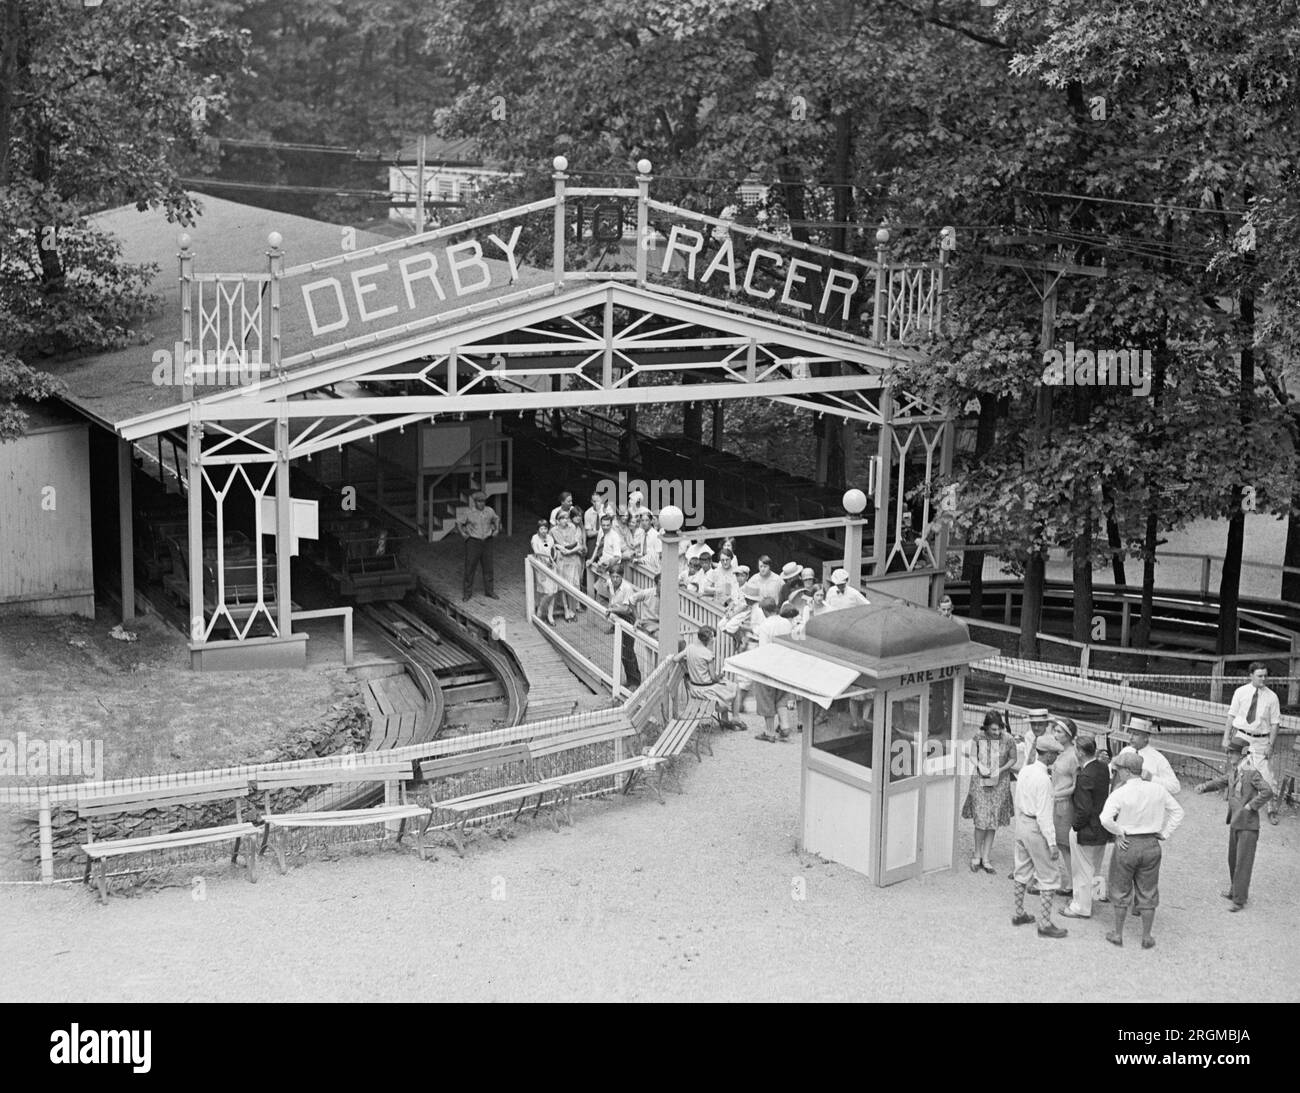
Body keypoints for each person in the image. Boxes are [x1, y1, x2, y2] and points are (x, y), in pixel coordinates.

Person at [1099, 751, 1185, 949]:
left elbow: (1105, 819)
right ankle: (1146, 936)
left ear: (1128, 771)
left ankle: (1118, 933)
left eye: (1120, 769)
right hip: (1151, 843)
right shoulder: (1157, 790)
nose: (1118, 772)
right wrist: (1164, 833)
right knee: (1148, 890)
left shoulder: (1120, 792)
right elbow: (1178, 812)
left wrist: (1119, 832)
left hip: (1127, 843)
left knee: (1120, 889)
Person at [1195, 737, 1274, 911]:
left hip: (1248, 825)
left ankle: (1239, 899)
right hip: (1236, 822)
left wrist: (1251, 806)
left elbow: (1268, 791)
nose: (1230, 754)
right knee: (1233, 860)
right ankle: (1234, 890)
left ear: (1243, 753)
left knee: (1243, 863)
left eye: (1233, 752)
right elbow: (1222, 781)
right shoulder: (1236, 770)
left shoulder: (1251, 771)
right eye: (1229, 751)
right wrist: (1205, 786)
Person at [1010, 733, 1068, 938]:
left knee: (1022, 869)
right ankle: (1044, 922)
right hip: (1036, 827)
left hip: (1023, 823)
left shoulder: (1025, 770)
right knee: (1049, 875)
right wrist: (1052, 843)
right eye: (1054, 754)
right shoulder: (1044, 780)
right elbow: (1044, 815)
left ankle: (1019, 912)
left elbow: (1018, 798)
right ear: (1050, 756)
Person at [1225, 663, 1282, 824]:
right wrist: (1226, 737)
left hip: (1261, 740)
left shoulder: (1272, 697)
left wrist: (1270, 745)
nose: (1263, 678)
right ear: (1251, 675)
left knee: (1266, 776)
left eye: (1265, 675)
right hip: (1242, 737)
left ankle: (1271, 809)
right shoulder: (1240, 692)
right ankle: (1235, 803)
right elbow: (1231, 716)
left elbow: (1275, 724)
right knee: (1239, 770)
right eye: (1259, 675)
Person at [961, 710, 1017, 874]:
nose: (997, 732)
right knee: (981, 818)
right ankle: (977, 854)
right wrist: (980, 766)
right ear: (986, 728)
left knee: (993, 819)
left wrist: (1001, 769)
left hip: (1000, 782)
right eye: (993, 729)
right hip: (981, 780)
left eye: (999, 728)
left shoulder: (1008, 739)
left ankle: (986, 857)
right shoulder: (979, 737)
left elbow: (1013, 759)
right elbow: (972, 755)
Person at [1061, 735, 1111, 920]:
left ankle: (1081, 907)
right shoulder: (1102, 768)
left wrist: (1075, 827)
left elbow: (1083, 809)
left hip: (1087, 828)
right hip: (1101, 827)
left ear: (1080, 752)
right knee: (1096, 865)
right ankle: (1096, 896)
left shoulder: (1085, 777)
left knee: (1082, 870)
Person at [752, 597, 794, 742]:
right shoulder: (786, 623)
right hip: (785, 663)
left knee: (766, 698)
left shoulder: (765, 625)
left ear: (764, 610)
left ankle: (769, 732)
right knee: (781, 696)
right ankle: (785, 725)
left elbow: (764, 649)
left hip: (770, 665)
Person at [684, 626, 743, 729]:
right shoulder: (707, 654)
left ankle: (725, 720)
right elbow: (713, 678)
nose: (714, 639)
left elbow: (676, 658)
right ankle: (736, 718)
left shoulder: (689, 648)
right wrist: (719, 676)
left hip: (695, 688)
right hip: (706, 690)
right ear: (709, 638)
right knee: (735, 687)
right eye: (712, 637)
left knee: (726, 685)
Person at [1050, 717, 1080, 899]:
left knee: (1066, 846)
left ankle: (1072, 884)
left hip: (1064, 805)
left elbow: (1076, 785)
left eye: (1059, 732)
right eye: (1055, 731)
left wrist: (1056, 794)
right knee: (1061, 845)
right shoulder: (1061, 752)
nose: (1055, 734)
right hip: (1056, 802)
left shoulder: (1073, 756)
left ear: (1069, 735)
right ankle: (1069, 881)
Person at [1113, 718, 1181, 796]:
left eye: (1135, 734)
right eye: (1130, 733)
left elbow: (1176, 787)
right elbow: (1113, 771)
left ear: (1146, 737)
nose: (1130, 737)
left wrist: (1152, 778)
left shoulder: (1158, 759)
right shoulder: (1125, 751)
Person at [604, 568, 646, 689]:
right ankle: (630, 679)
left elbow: (627, 609)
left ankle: (635, 681)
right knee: (622, 651)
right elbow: (609, 594)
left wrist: (611, 609)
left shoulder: (627, 588)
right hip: (618, 618)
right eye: (613, 576)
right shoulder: (609, 583)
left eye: (618, 577)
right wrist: (610, 606)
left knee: (628, 650)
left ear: (622, 577)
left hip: (629, 619)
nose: (615, 579)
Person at [457, 489, 500, 600]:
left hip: (487, 541)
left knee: (488, 567)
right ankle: (467, 593)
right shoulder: (469, 512)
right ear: (475, 502)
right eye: (479, 501)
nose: (481, 503)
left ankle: (489, 591)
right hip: (473, 542)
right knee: (470, 567)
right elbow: (459, 522)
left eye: (483, 501)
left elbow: (496, 518)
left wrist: (496, 530)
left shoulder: (489, 511)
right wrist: (463, 534)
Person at [550, 507, 585, 621]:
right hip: (561, 560)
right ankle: (566, 610)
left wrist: (569, 550)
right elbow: (551, 545)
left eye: (567, 518)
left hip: (572, 558)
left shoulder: (572, 527)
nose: (565, 520)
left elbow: (577, 544)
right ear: (557, 520)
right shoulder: (553, 531)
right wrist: (558, 547)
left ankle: (573, 611)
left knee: (573, 586)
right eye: (562, 518)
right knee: (563, 586)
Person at [530, 518, 558, 625]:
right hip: (541, 568)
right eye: (542, 529)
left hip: (551, 568)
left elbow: (553, 550)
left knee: (553, 592)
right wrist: (547, 558)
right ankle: (540, 609)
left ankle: (550, 615)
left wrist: (552, 560)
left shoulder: (550, 538)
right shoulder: (534, 538)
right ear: (538, 529)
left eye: (545, 528)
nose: (544, 531)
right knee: (546, 592)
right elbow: (537, 551)